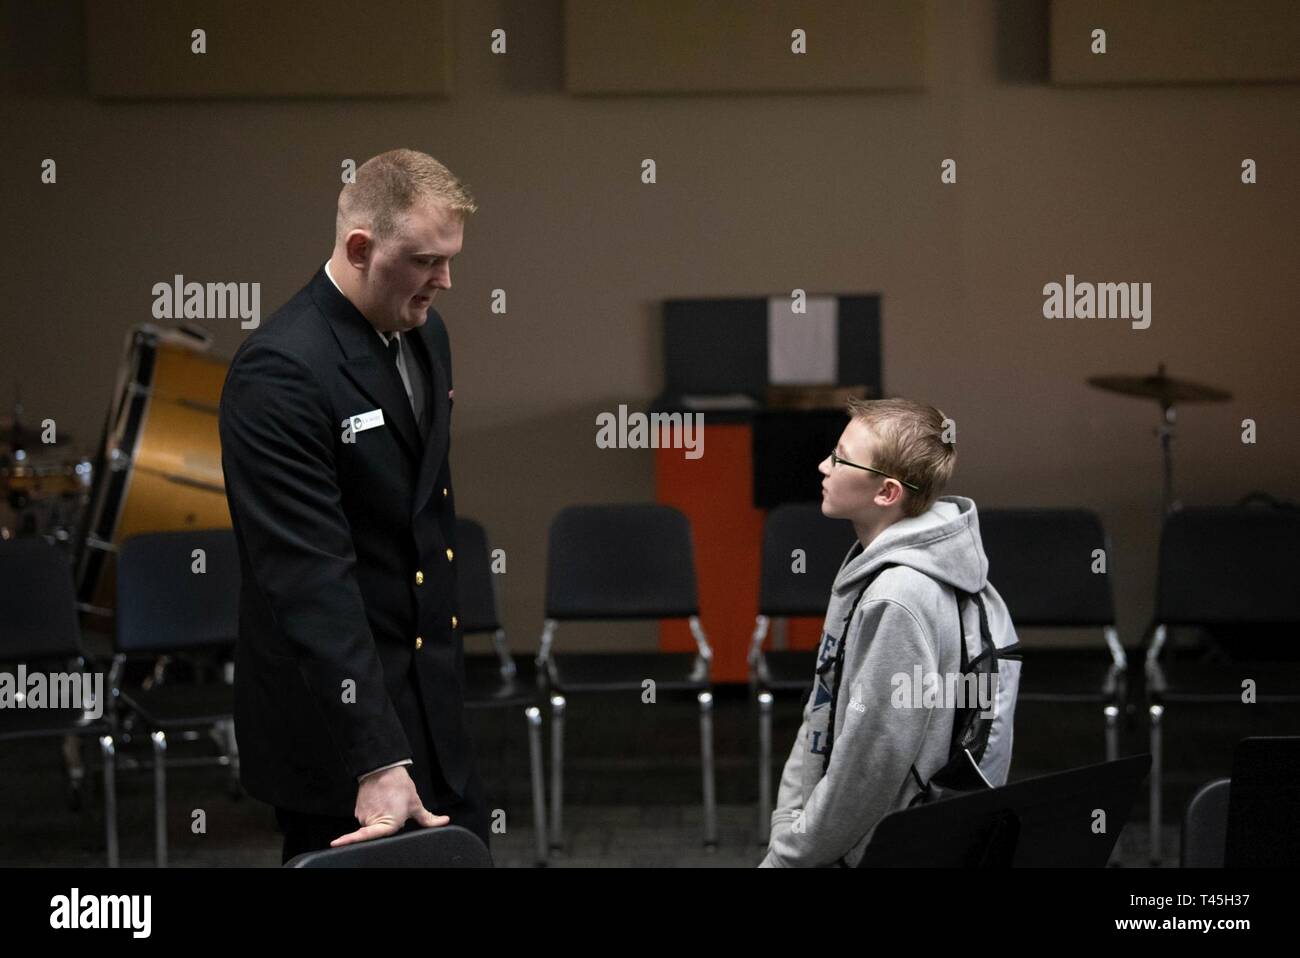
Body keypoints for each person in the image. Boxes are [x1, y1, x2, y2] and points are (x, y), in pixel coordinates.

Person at [218, 149, 490, 864]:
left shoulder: (426, 332)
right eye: (427, 259)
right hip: (338, 729)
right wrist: (374, 756)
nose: (446, 280)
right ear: (360, 248)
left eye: (451, 258)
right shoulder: (280, 371)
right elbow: (309, 582)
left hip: (429, 706)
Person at [759, 397, 1020, 867]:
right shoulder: (929, 560)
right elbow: (826, 702)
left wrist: (790, 856)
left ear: (887, 493)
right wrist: (789, 824)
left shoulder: (897, 596)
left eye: (840, 457)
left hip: (874, 850)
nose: (824, 465)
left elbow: (867, 767)